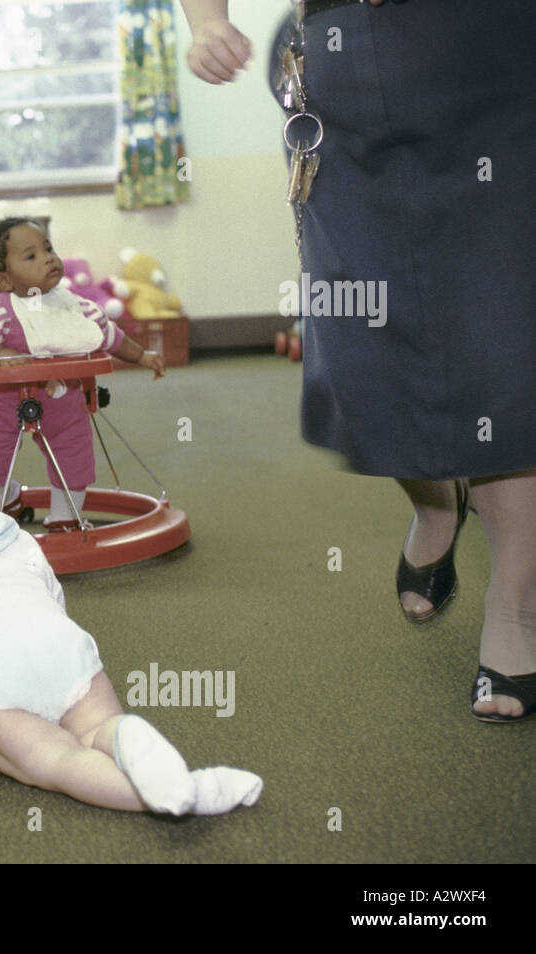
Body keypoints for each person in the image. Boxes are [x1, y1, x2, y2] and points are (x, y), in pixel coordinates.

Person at [180, 0, 536, 720]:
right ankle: (436, 503)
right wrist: (207, 21)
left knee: (500, 345)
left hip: (496, 60)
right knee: (366, 351)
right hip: (338, 69)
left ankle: (514, 612)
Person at [0, 422, 262, 815]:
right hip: (55, 645)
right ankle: (122, 733)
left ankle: (182, 795)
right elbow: (51, 597)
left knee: (57, 761)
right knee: (95, 726)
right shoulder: (18, 539)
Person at [0, 218, 166, 528]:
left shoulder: (78, 307)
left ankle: (65, 517)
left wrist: (143, 356)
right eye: (31, 256)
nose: (48, 258)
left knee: (75, 454)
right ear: (4, 281)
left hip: (64, 402)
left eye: (48, 249)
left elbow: (110, 336)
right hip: (3, 403)